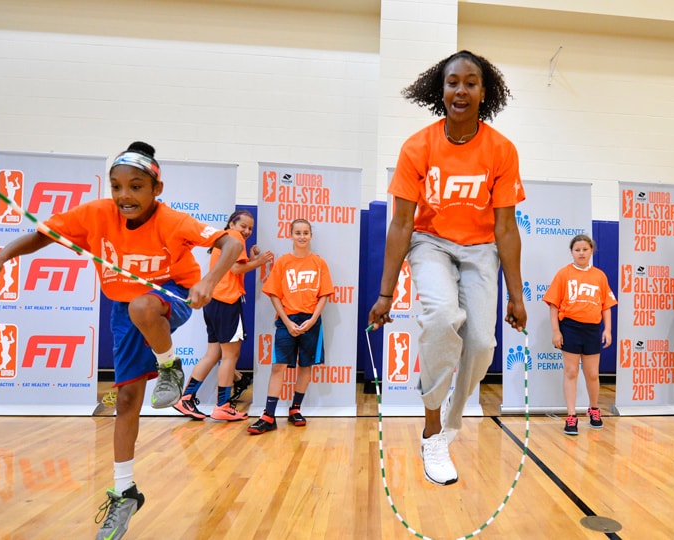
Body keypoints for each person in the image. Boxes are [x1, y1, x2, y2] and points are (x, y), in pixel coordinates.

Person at [0, 141, 242, 540]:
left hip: (170, 296)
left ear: (156, 189)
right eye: (117, 186)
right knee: (129, 401)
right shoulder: (97, 214)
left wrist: (208, 279)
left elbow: (231, 243)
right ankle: (125, 491)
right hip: (124, 309)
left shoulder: (171, 221)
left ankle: (170, 364)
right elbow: (44, 235)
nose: (124, 195)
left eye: (135, 186)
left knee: (142, 307)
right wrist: (2, 257)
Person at [367, 50, 527, 486]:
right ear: (441, 91)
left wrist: (516, 296)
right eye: (452, 82)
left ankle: (452, 423)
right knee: (441, 318)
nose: (461, 90)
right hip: (430, 242)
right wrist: (384, 295)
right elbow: (401, 223)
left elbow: (507, 229)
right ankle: (432, 430)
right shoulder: (418, 146)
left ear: (483, 92)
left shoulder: (501, 150)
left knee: (480, 344)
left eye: (470, 83)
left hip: (480, 249)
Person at [174, 210, 274, 421]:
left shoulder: (222, 239)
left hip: (213, 302)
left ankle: (186, 398)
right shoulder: (234, 238)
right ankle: (223, 405)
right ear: (231, 224)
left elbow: (233, 269)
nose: (246, 231)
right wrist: (261, 261)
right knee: (230, 355)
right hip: (227, 302)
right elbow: (238, 270)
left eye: (249, 229)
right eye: (243, 226)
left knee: (213, 354)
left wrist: (253, 259)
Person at [248, 219, 333, 434]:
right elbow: (274, 294)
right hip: (287, 320)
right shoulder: (284, 262)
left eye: (305, 232)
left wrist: (312, 320)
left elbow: (324, 294)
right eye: (298, 232)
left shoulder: (319, 263)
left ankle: (295, 409)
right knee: (279, 366)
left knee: (306, 366)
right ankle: (268, 415)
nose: (302, 236)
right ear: (291, 235)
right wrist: (287, 321)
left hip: (311, 322)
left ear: (311, 235)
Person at [543, 234, 616, 435]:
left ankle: (594, 410)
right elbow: (553, 305)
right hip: (570, 328)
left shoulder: (600, 276)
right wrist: (556, 331)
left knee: (592, 374)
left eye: (585, 249)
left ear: (591, 250)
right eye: (577, 250)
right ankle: (571, 416)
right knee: (571, 372)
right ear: (572, 252)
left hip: (592, 329)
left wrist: (607, 329)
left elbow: (606, 306)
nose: (581, 253)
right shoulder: (563, 274)